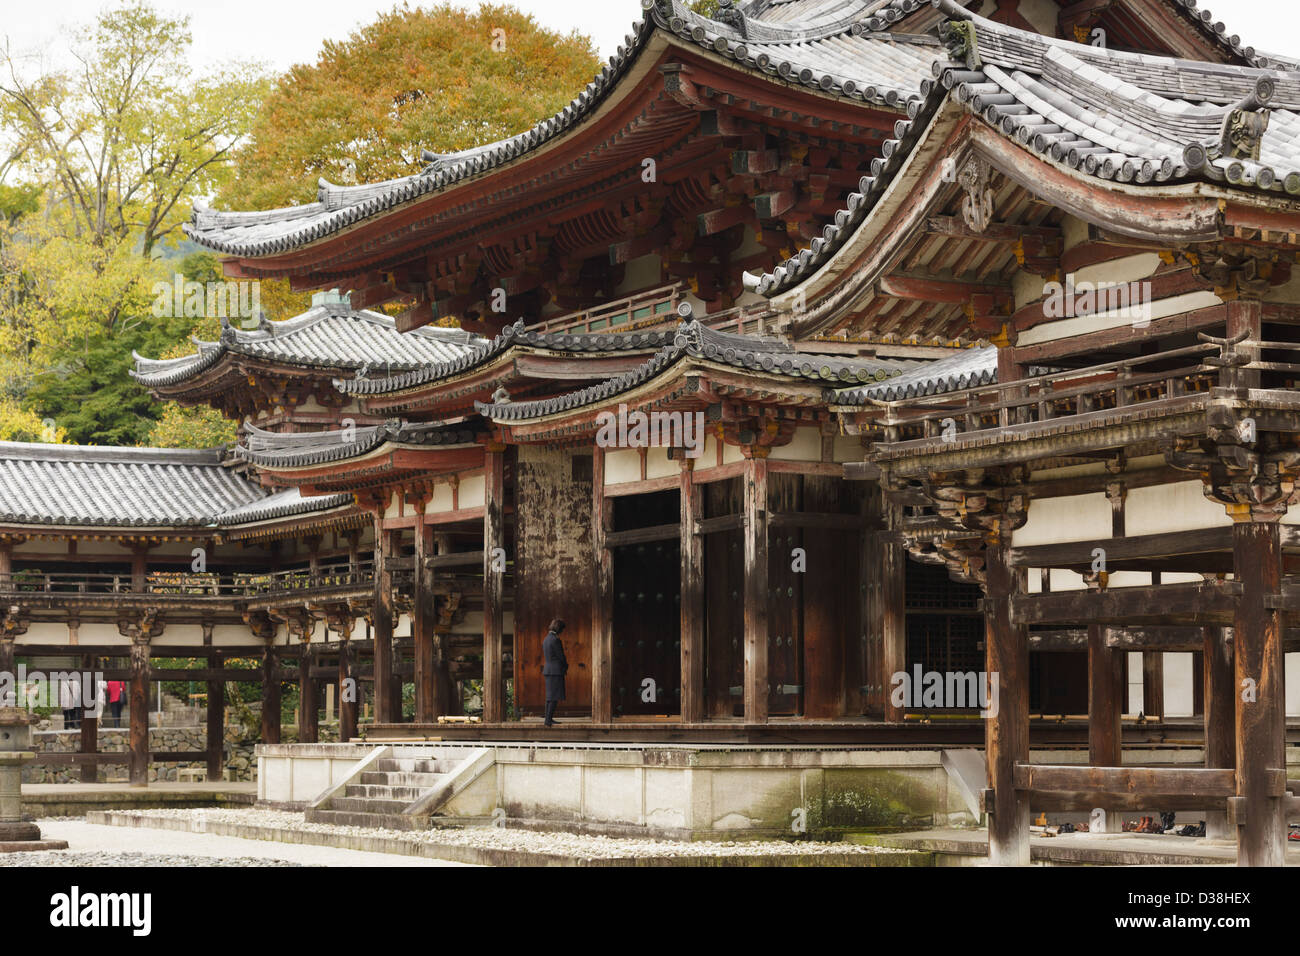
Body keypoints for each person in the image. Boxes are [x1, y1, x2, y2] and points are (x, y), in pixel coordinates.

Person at [541, 619, 567, 727]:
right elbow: (560, 656)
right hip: (555, 670)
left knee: (550, 697)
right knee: (554, 696)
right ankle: (548, 720)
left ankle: (548, 718)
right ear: (559, 628)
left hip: (548, 669)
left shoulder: (546, 639)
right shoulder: (555, 640)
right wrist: (566, 665)